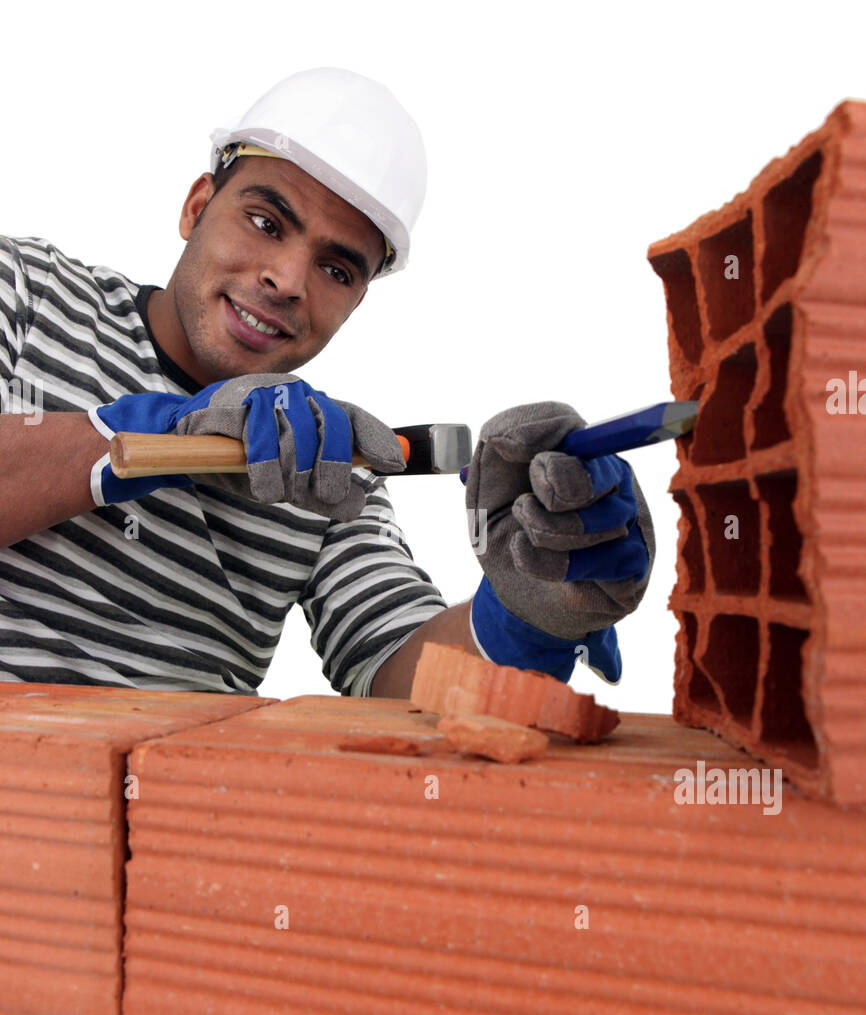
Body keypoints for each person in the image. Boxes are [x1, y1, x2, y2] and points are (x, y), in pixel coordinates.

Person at [0, 67, 653, 695]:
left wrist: (524, 618)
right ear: (197, 206)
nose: (286, 280)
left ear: (357, 301)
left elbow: (397, 676)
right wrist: (157, 437)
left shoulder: (332, 468)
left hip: (175, 799)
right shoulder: (28, 292)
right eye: (265, 222)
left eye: (337, 270)